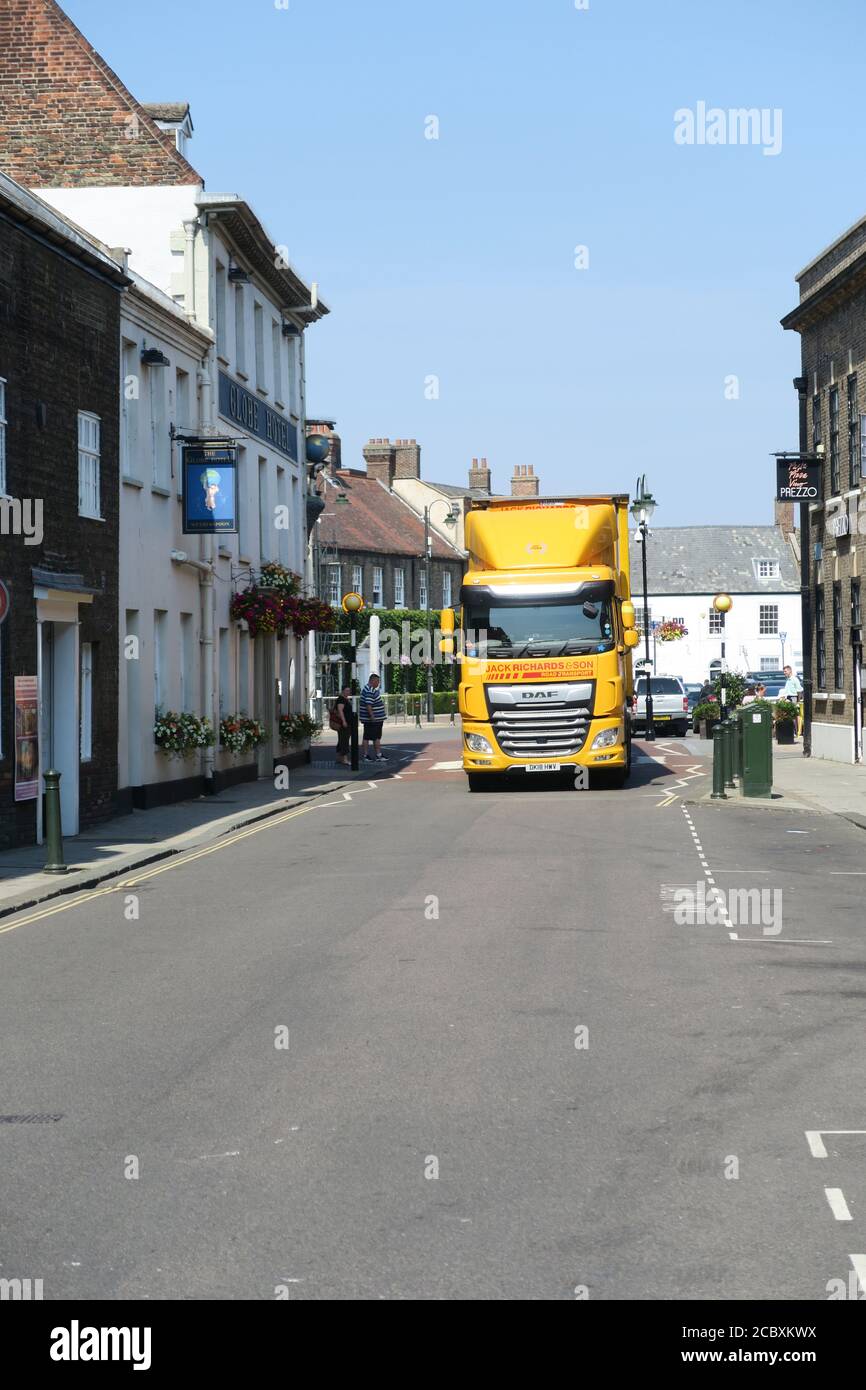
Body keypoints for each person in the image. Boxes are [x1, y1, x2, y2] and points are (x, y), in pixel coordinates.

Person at [360, 672, 387, 761]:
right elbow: (368, 705)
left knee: (372, 737)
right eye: (377, 681)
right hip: (372, 720)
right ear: (373, 681)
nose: (378, 683)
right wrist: (372, 716)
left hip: (373, 719)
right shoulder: (370, 690)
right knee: (373, 737)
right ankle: (375, 755)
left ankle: (375, 754)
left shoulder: (368, 689)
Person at [331, 684, 355, 767]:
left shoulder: (345, 699)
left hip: (347, 723)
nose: (348, 692)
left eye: (349, 691)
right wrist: (344, 721)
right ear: (343, 691)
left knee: (341, 740)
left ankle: (339, 758)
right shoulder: (341, 699)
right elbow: (340, 711)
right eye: (346, 691)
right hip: (343, 724)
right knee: (344, 740)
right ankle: (344, 759)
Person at [782, 664, 804, 737]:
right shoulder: (788, 680)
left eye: (785, 671)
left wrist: (797, 701)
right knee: (789, 715)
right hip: (788, 697)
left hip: (793, 697)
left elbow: (799, 690)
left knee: (794, 715)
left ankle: (796, 732)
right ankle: (791, 731)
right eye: (784, 671)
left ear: (790, 671)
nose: (784, 673)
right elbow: (787, 691)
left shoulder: (794, 679)